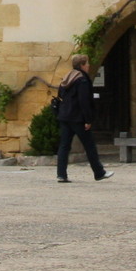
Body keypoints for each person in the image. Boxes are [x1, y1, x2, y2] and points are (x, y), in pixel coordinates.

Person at [55, 54, 113, 184]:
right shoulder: (82, 80)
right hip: (78, 118)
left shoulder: (67, 77)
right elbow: (84, 101)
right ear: (82, 65)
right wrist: (88, 120)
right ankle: (99, 172)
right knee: (89, 145)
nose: (88, 66)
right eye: (87, 64)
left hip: (65, 116)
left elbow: (60, 95)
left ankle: (61, 174)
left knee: (64, 145)